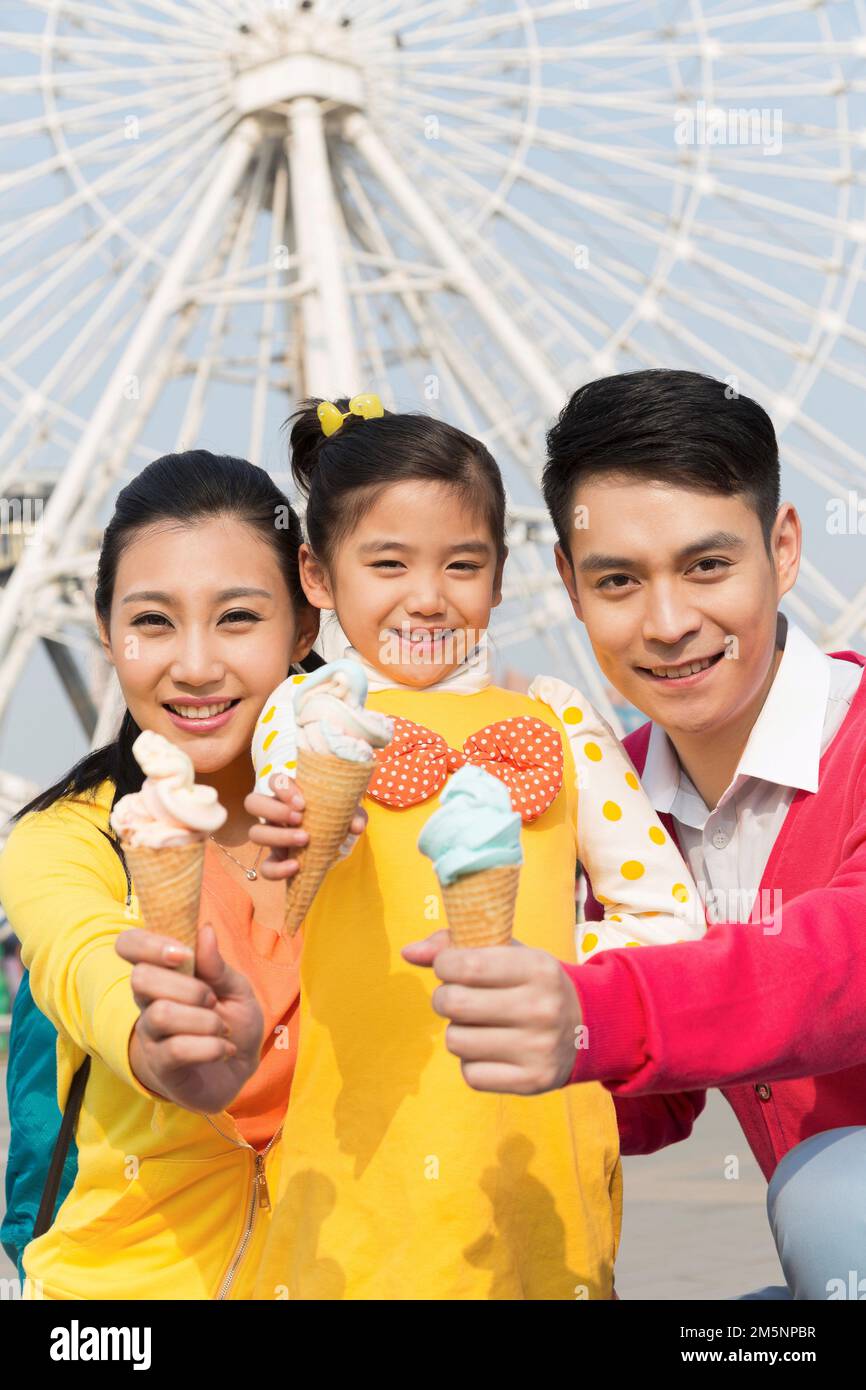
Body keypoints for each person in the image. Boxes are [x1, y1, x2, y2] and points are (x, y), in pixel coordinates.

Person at [406, 369, 866, 1300]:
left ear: (784, 552)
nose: (667, 624)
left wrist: (593, 1012)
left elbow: (835, 968)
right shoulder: (606, 798)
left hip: (838, 1213)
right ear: (571, 588)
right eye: (619, 580)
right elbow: (652, 1104)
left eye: (707, 566)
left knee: (834, 1194)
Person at [242, 394, 704, 1301]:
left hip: (541, 1150)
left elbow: (668, 920)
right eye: (387, 563)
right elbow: (291, 849)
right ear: (318, 575)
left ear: (498, 578)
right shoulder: (308, 716)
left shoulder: (560, 718)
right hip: (356, 1149)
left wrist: (557, 970)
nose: (428, 596)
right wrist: (308, 834)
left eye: (463, 563)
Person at [0, 449, 365, 1299]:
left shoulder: (386, 821)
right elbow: (89, 966)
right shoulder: (66, 840)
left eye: (237, 617)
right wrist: (167, 1051)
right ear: (106, 630)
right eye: (154, 622)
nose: (195, 666)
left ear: (306, 624)